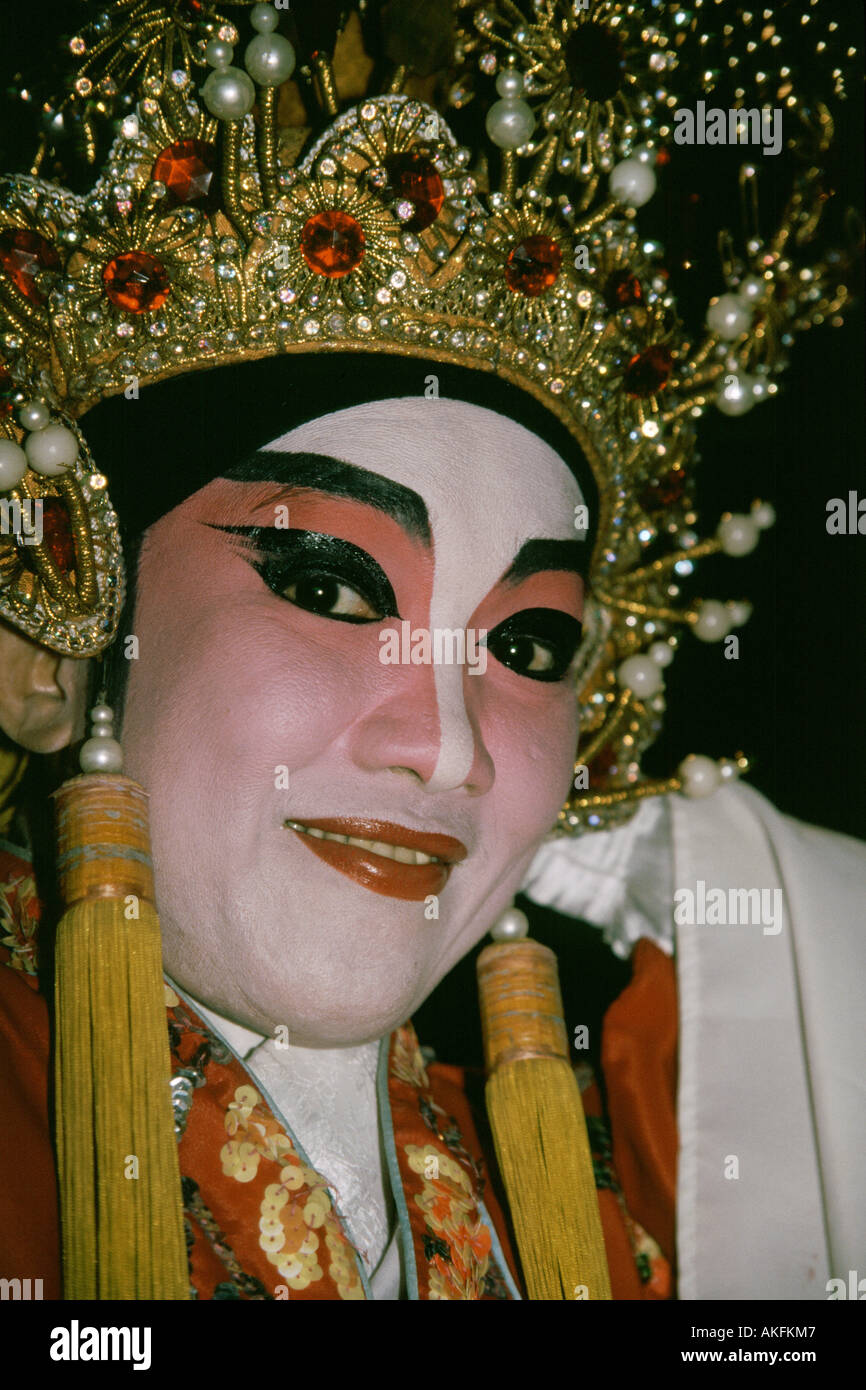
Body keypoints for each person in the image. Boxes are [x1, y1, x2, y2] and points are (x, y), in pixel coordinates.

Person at [0, 0, 863, 1301]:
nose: (447, 745)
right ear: (49, 645)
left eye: (525, 641)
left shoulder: (605, 1201)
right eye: (330, 586)